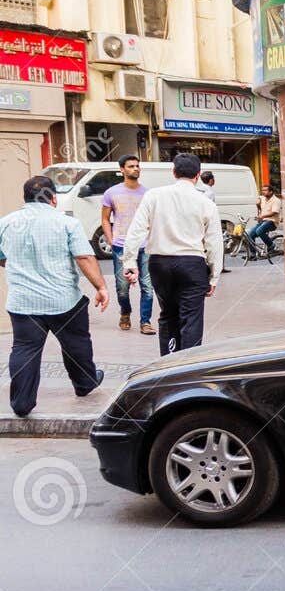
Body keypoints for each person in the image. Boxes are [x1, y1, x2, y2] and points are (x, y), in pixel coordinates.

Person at [0, 175, 109, 417]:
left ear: (25, 198)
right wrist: (100, 287)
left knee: (24, 349)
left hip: (22, 302)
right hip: (63, 300)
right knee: (76, 344)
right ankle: (85, 383)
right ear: (52, 198)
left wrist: (21, 267)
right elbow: (84, 257)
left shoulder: (6, 222)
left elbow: (2, 257)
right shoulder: (67, 223)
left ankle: (21, 403)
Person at [122, 151, 222, 355]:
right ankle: (187, 369)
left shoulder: (154, 196)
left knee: (168, 315)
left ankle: (166, 365)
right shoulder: (206, 203)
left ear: (173, 172)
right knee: (191, 319)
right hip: (193, 264)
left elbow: (136, 230)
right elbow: (214, 243)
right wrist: (214, 276)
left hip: (160, 263)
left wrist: (129, 262)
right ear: (198, 175)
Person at [100, 154, 154, 334]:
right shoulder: (112, 193)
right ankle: (125, 311)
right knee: (122, 287)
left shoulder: (148, 194)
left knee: (147, 285)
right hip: (121, 245)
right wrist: (110, 238)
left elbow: (152, 220)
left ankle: (145, 322)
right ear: (122, 169)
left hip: (144, 245)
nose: (135, 169)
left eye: (137, 166)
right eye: (131, 166)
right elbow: (105, 219)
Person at [247, 183, 281, 256]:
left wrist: (262, 216)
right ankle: (253, 254)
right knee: (250, 235)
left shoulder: (276, 200)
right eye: (262, 190)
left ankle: (272, 246)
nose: (263, 192)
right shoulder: (262, 198)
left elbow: (274, 212)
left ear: (271, 192)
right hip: (263, 221)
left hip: (272, 222)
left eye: (265, 190)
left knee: (259, 231)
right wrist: (257, 205)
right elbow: (260, 208)